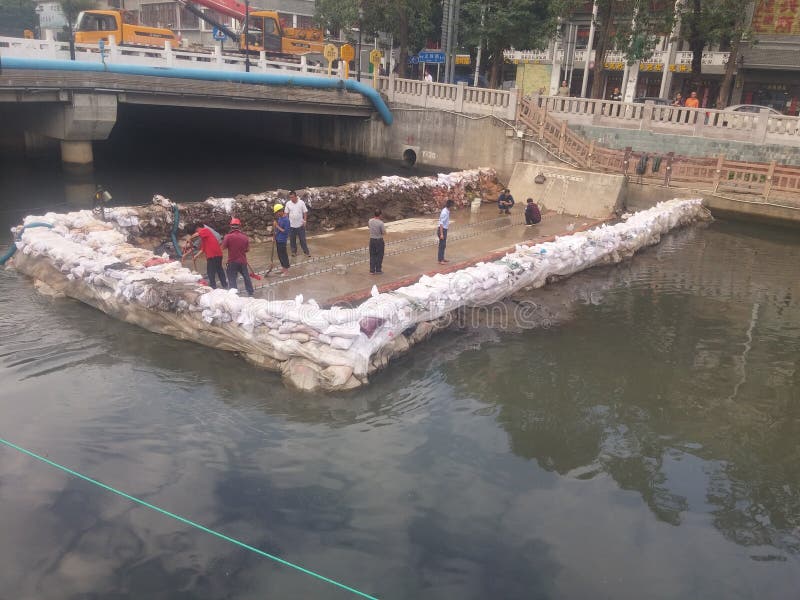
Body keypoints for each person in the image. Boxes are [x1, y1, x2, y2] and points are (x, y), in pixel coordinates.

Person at [183, 223, 228, 289]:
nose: (197, 231)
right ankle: (224, 285)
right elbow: (202, 249)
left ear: (198, 227)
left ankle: (213, 287)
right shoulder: (205, 238)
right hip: (218, 254)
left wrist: (190, 238)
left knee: (210, 272)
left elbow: (198, 234)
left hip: (212, 255)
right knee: (219, 270)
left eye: (197, 230)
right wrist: (196, 256)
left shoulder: (205, 230)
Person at [222, 218, 254, 296]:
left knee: (232, 278)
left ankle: (234, 293)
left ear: (231, 226)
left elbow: (223, 247)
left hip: (232, 261)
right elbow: (247, 249)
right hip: (242, 261)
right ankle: (250, 291)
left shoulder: (228, 237)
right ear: (239, 226)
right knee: (246, 276)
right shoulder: (245, 237)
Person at [285, 191, 311, 259]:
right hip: (291, 226)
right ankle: (294, 252)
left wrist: (305, 221)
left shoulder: (301, 202)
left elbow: (305, 212)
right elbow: (286, 214)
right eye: (290, 197)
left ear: (296, 196)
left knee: (302, 240)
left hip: (300, 225)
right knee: (292, 240)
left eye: (292, 197)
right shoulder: (288, 204)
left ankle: (306, 252)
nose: (291, 198)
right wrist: (287, 223)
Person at [272, 204, 290, 276]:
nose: (276, 214)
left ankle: (286, 272)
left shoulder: (286, 220)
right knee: (279, 255)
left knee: (283, 255)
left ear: (281, 211)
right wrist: (274, 236)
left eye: (277, 212)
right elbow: (277, 229)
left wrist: (277, 226)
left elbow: (286, 231)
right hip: (278, 239)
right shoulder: (280, 218)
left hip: (282, 240)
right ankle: (283, 269)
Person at [368, 208, 385, 274]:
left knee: (372, 255)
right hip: (379, 240)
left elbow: (369, 227)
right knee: (379, 255)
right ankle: (378, 270)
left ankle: (372, 270)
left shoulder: (370, 221)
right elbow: (383, 232)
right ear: (380, 215)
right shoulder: (381, 223)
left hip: (372, 240)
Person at [437, 199, 454, 265]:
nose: (453, 207)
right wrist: (441, 234)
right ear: (450, 206)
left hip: (444, 229)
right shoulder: (444, 212)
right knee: (441, 245)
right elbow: (441, 223)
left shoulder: (447, 210)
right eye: (452, 206)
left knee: (443, 245)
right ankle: (440, 260)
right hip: (442, 230)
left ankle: (442, 258)